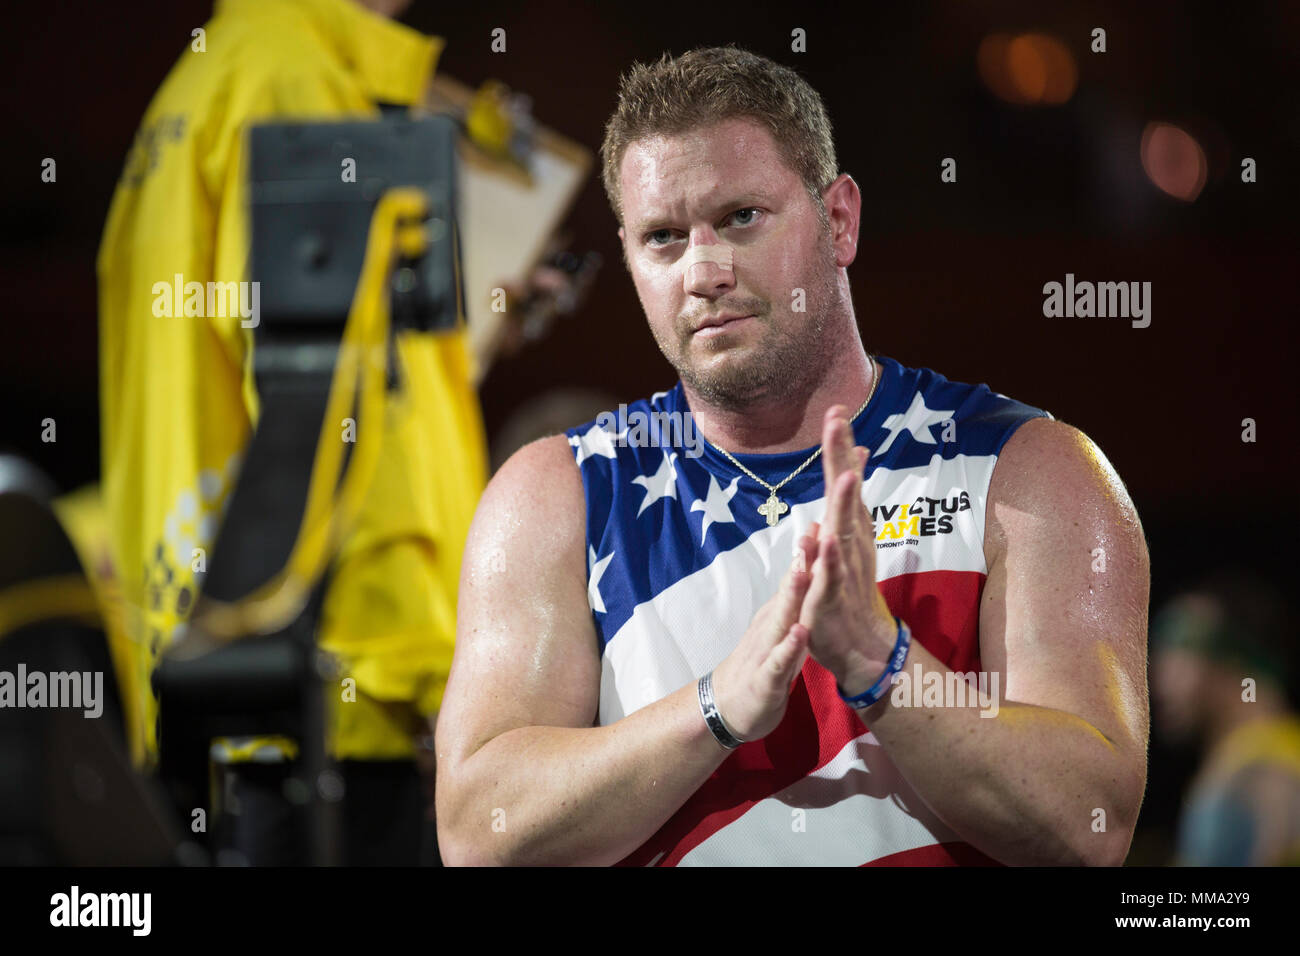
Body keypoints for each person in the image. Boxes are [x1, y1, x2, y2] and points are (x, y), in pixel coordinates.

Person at [435, 45, 1150, 866]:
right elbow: (476, 833)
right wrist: (715, 708)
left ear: (839, 220)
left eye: (740, 217)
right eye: (664, 237)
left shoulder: (1029, 473)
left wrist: (883, 670)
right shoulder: (556, 494)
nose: (703, 270)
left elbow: (1089, 826)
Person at [98, 0, 489, 864]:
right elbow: (355, 406)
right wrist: (429, 672)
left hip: (230, 686)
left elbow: (271, 382)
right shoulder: (298, 82)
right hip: (347, 702)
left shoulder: (203, 81)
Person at [1152, 572, 1300, 866]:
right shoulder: (1250, 760)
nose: (1157, 681)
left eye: (1175, 649)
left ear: (1232, 656)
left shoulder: (1266, 773)